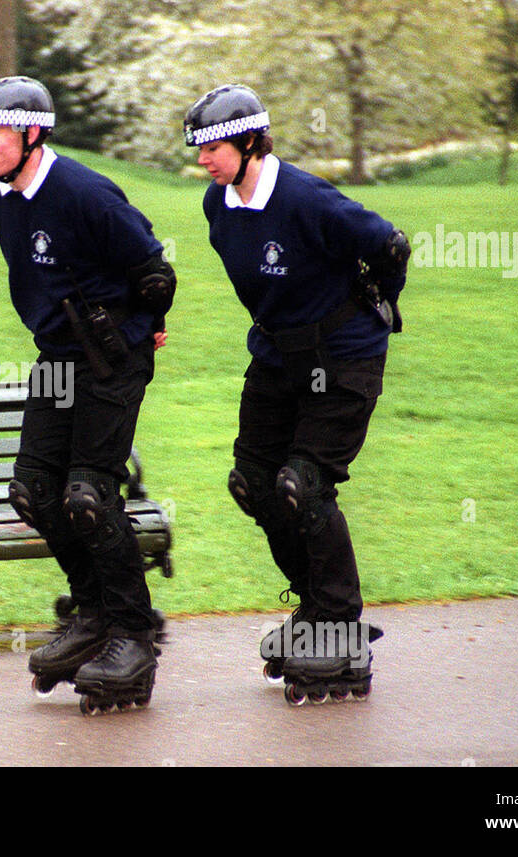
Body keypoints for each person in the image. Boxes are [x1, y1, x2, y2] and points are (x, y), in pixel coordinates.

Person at [183, 84, 409, 705]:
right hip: (278, 358)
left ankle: (339, 625)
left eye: (213, 146)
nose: (203, 158)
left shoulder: (307, 198)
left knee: (303, 484)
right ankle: (316, 606)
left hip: (343, 357)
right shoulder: (217, 205)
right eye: (197, 147)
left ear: (252, 141)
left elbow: (389, 245)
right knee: (254, 483)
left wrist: (381, 301)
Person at [0, 76, 176, 714]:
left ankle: (134, 635)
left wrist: (140, 332)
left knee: (88, 496)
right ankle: (92, 615)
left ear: (32, 135)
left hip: (110, 361)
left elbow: (155, 273)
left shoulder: (86, 193)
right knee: (32, 488)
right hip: (57, 359)